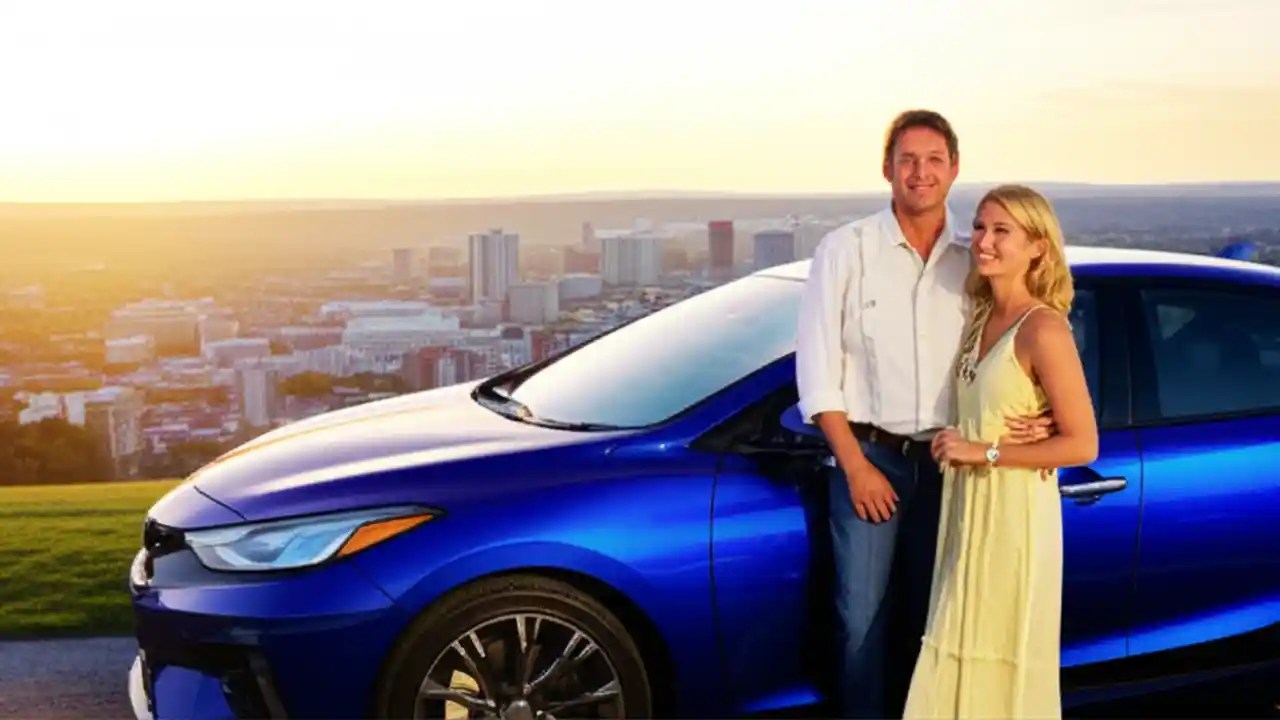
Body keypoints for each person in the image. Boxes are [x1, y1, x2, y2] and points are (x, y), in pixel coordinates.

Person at [795, 110, 1052, 718]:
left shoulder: (977, 259)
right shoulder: (845, 251)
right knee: (860, 622)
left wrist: (1041, 411)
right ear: (887, 169)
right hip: (870, 459)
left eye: (934, 160)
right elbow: (817, 371)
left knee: (937, 619)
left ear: (954, 169)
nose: (921, 172)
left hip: (953, 465)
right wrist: (855, 466)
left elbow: (1025, 340)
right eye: (907, 160)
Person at [902, 184, 1099, 719]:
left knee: (1002, 653)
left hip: (1015, 519)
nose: (983, 241)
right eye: (982, 227)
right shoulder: (979, 317)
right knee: (955, 644)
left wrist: (983, 452)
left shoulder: (1044, 328)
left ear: (1038, 247)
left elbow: (1082, 442)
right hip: (967, 512)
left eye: (1001, 231)